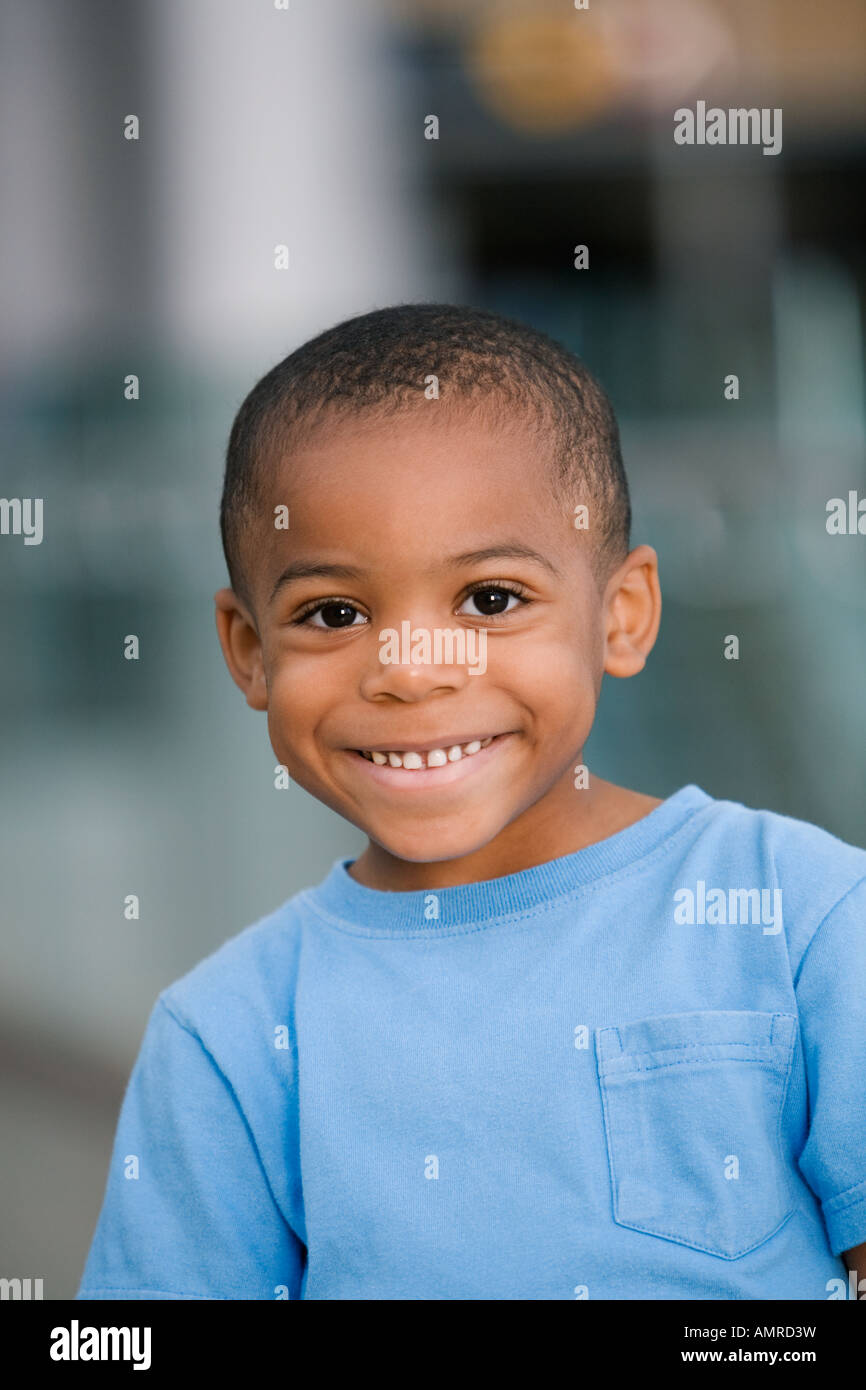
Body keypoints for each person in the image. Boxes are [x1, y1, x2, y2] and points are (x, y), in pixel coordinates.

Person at [77, 303, 866, 1299]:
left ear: (619, 617)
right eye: (334, 613)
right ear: (248, 652)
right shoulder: (228, 1038)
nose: (413, 672)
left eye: (489, 599)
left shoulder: (804, 918)